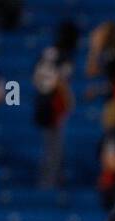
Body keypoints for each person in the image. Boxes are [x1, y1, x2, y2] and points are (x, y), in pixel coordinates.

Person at [32, 21, 78, 187]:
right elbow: (60, 81)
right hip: (53, 102)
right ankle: (48, 182)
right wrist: (69, 100)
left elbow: (36, 75)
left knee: (51, 143)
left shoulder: (47, 52)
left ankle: (52, 177)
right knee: (54, 145)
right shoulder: (64, 56)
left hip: (41, 97)